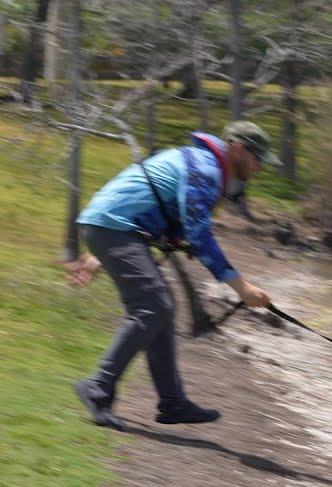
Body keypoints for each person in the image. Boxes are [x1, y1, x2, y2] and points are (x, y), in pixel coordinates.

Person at [62, 121, 280, 430]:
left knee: (161, 309)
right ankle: (98, 387)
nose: (261, 167)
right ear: (238, 149)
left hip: (114, 227)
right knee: (154, 306)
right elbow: (200, 235)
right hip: (114, 228)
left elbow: (169, 213)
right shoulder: (205, 170)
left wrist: (102, 254)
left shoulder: (205, 164)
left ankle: (173, 403)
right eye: (258, 159)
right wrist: (242, 287)